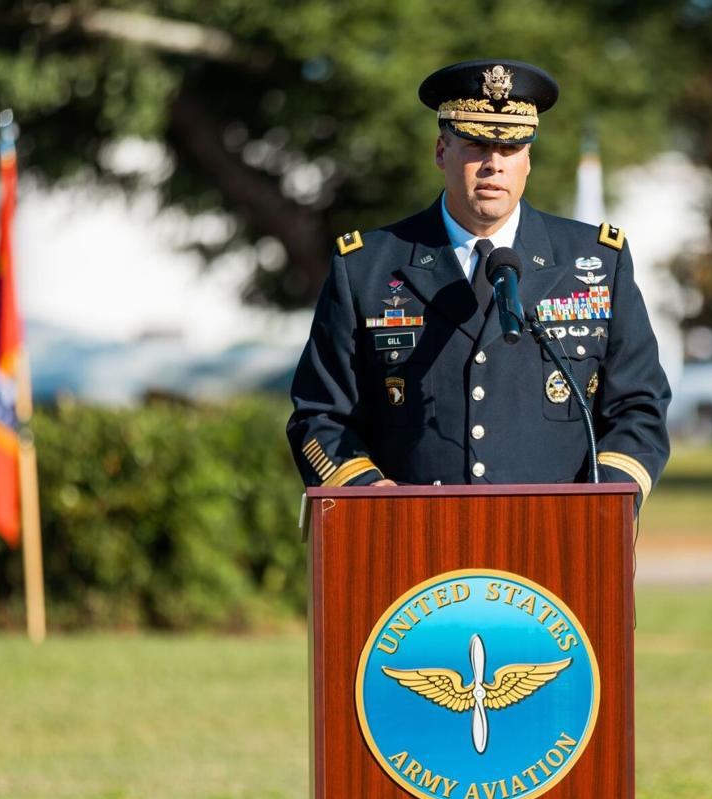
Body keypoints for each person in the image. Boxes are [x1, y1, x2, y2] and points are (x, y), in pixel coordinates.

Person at [286, 59, 669, 507]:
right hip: (410, 542)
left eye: (510, 149)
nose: (493, 165)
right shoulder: (368, 266)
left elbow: (638, 410)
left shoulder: (596, 261)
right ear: (440, 151)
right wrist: (368, 496)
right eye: (474, 145)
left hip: (557, 541)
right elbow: (320, 415)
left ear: (529, 159)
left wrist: (601, 503)